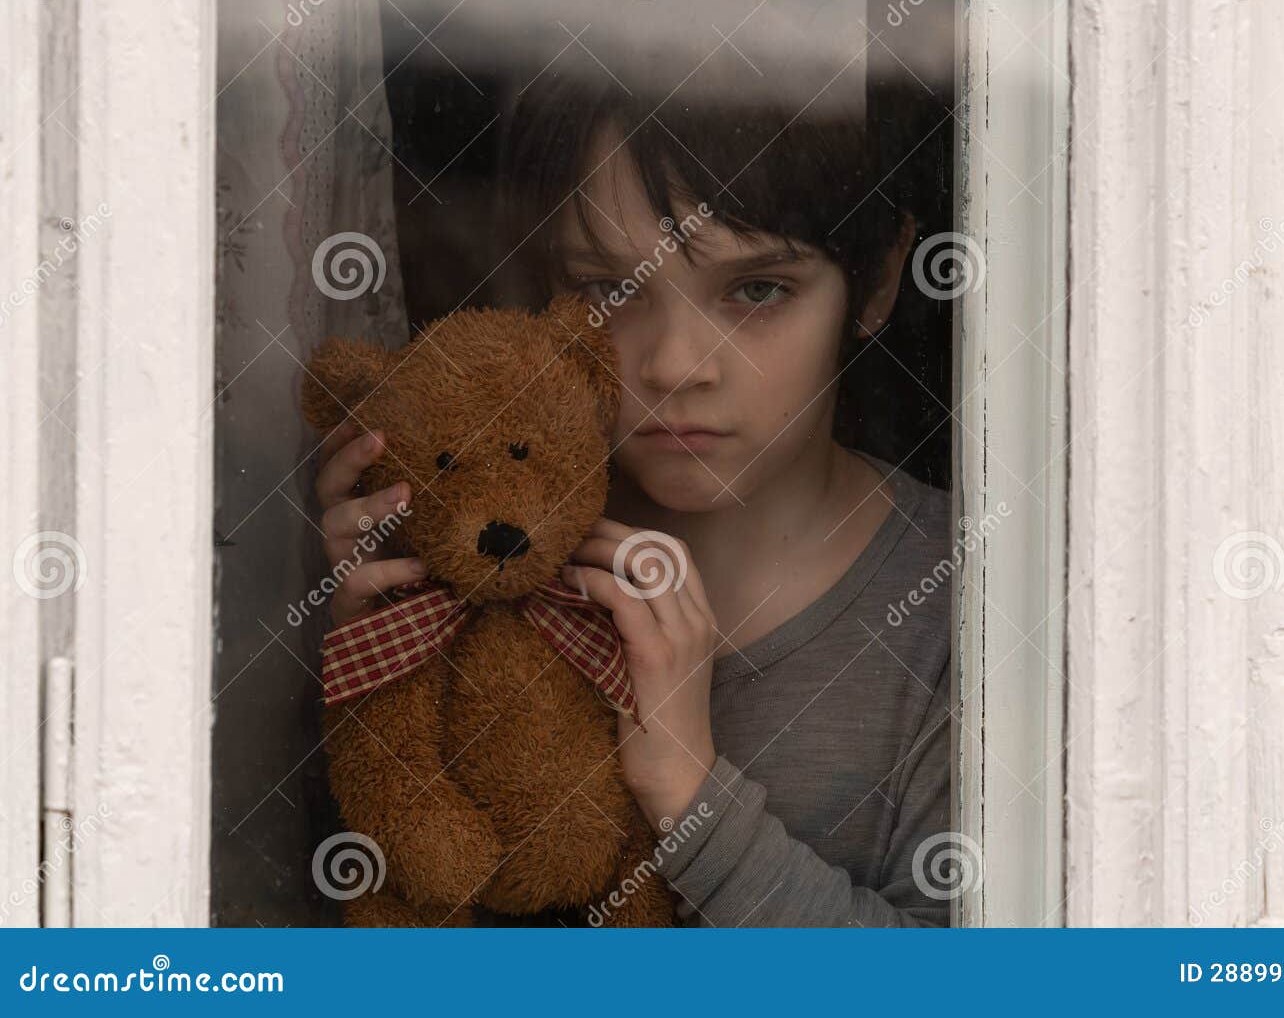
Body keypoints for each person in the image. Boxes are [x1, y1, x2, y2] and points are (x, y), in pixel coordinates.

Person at [311, 63, 954, 926]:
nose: (675, 366)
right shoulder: (479, 546)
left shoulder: (962, 611)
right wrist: (378, 660)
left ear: (876, 282)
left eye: (759, 290)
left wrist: (688, 791)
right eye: (610, 290)